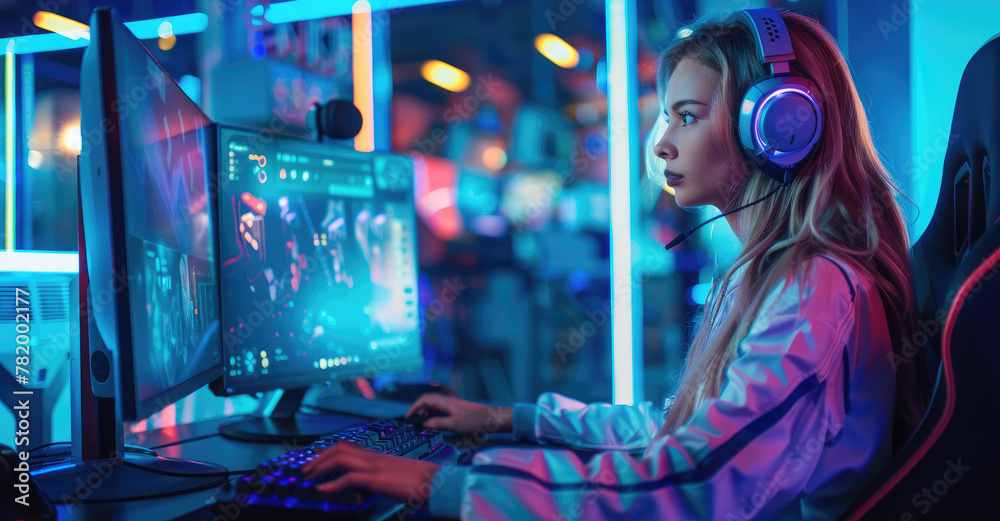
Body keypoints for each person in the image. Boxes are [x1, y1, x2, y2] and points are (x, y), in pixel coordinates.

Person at [301, 8, 929, 520]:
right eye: (666, 116)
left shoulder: (814, 287)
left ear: (778, 127)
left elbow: (691, 481)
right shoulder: (777, 275)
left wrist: (438, 485)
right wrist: (508, 419)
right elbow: (681, 430)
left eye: (687, 116)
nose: (660, 144)